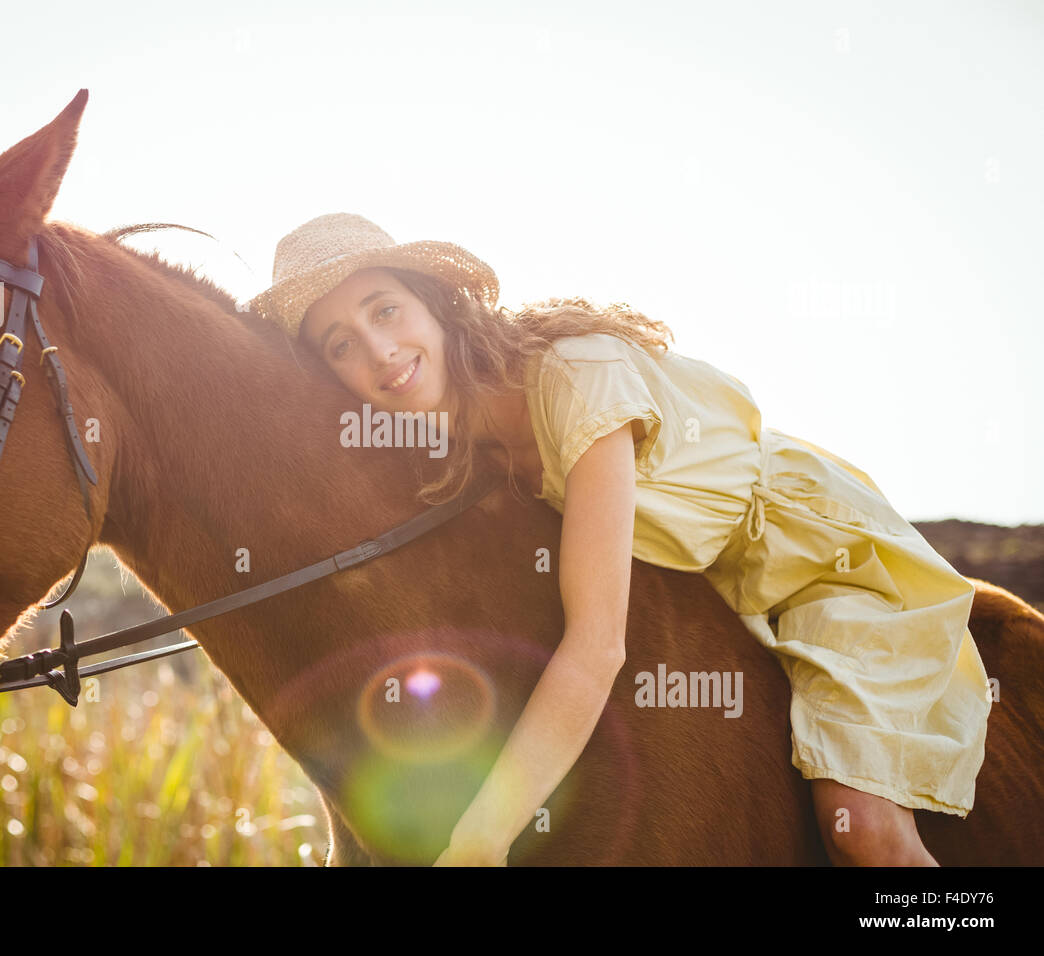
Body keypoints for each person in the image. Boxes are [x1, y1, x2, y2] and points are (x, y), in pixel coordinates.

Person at [247, 212, 992, 867]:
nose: (378, 351)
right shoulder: (453, 453)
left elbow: (598, 643)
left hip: (828, 563)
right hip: (723, 589)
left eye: (386, 310)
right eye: (341, 344)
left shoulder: (579, 379)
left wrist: (482, 839)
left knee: (861, 833)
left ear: (436, 304)